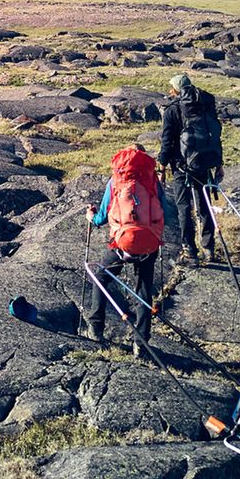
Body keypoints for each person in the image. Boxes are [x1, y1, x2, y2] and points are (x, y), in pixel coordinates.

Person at [82, 144, 166, 359]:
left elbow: (101, 217)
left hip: (122, 244)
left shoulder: (116, 181)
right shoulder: (152, 181)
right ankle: (141, 343)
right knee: (144, 291)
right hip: (149, 245)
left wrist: (91, 217)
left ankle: (96, 328)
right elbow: (164, 211)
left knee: (100, 277)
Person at [158, 73, 224, 265]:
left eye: (172, 88)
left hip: (181, 166)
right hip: (204, 162)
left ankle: (189, 251)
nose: (170, 91)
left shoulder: (172, 110)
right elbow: (215, 135)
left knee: (183, 207)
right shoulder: (204, 104)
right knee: (204, 205)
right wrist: (219, 163)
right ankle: (209, 249)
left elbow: (167, 140)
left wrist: (161, 166)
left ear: (177, 89)